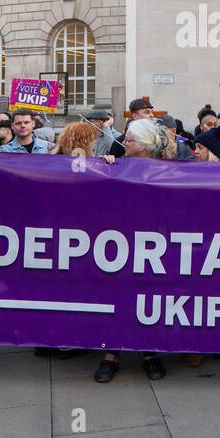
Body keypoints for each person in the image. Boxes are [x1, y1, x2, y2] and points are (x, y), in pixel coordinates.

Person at [92, 118, 170, 383]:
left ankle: (149, 354)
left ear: (146, 145)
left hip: (152, 246)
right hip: (120, 243)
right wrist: (105, 168)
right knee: (116, 298)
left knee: (147, 302)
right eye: (126, 138)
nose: (125, 142)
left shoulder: (165, 170)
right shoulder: (115, 163)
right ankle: (110, 355)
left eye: (131, 139)